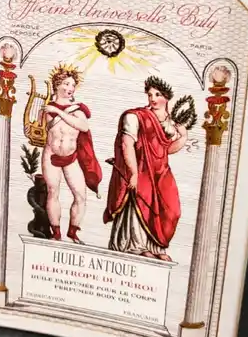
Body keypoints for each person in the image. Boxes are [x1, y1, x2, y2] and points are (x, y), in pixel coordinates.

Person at [103, 76, 189, 261]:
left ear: (167, 97)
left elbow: (165, 150)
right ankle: (136, 245)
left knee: (171, 210)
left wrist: (183, 138)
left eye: (158, 94)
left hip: (160, 171)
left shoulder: (171, 122)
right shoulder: (136, 116)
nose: (153, 98)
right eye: (150, 94)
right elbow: (127, 144)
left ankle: (156, 247)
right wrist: (133, 173)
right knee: (141, 202)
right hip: (141, 168)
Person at [42, 64, 102, 244]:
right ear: (57, 85)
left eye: (73, 85)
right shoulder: (47, 108)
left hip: (71, 157)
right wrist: (54, 110)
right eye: (66, 84)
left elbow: (83, 126)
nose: (70, 88)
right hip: (51, 155)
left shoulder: (78, 110)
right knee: (52, 192)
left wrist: (58, 111)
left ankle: (73, 232)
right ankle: (56, 232)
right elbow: (45, 127)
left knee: (80, 196)